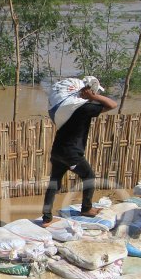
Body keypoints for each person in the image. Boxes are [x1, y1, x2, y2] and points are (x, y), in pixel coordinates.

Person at [40, 83, 118, 224]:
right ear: (85, 92)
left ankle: (46, 218)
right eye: (93, 91)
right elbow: (112, 105)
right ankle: (86, 208)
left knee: (54, 183)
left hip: (57, 150)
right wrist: (93, 97)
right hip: (71, 154)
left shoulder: (66, 109)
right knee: (89, 176)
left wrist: (89, 97)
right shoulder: (85, 108)